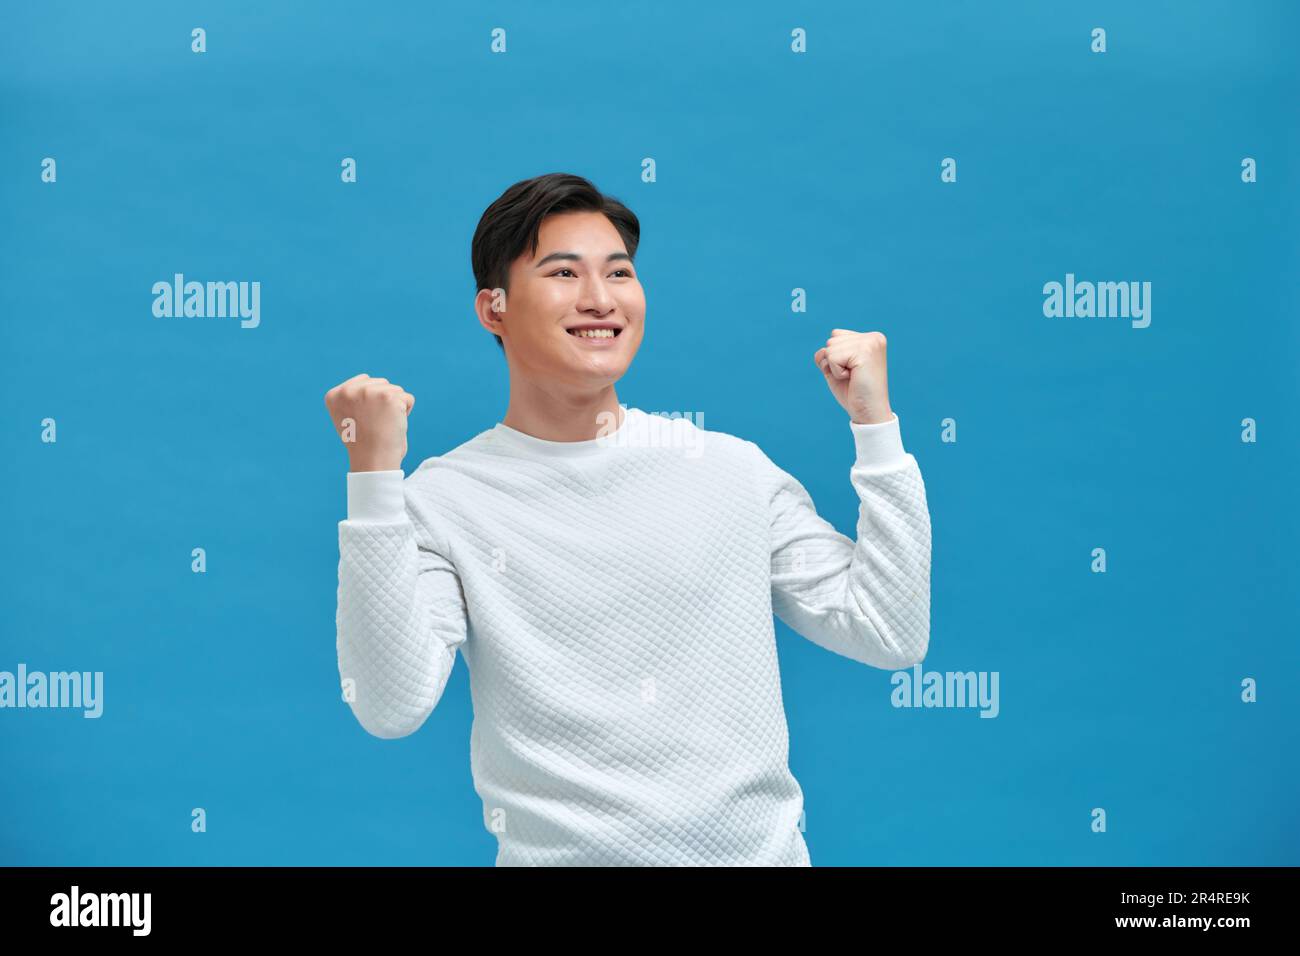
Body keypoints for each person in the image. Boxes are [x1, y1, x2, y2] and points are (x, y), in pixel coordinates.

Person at [324, 172, 932, 866]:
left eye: (619, 273)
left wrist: (875, 428)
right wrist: (373, 479)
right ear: (493, 309)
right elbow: (389, 705)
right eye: (563, 273)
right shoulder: (446, 499)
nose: (600, 299)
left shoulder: (729, 470)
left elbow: (889, 631)